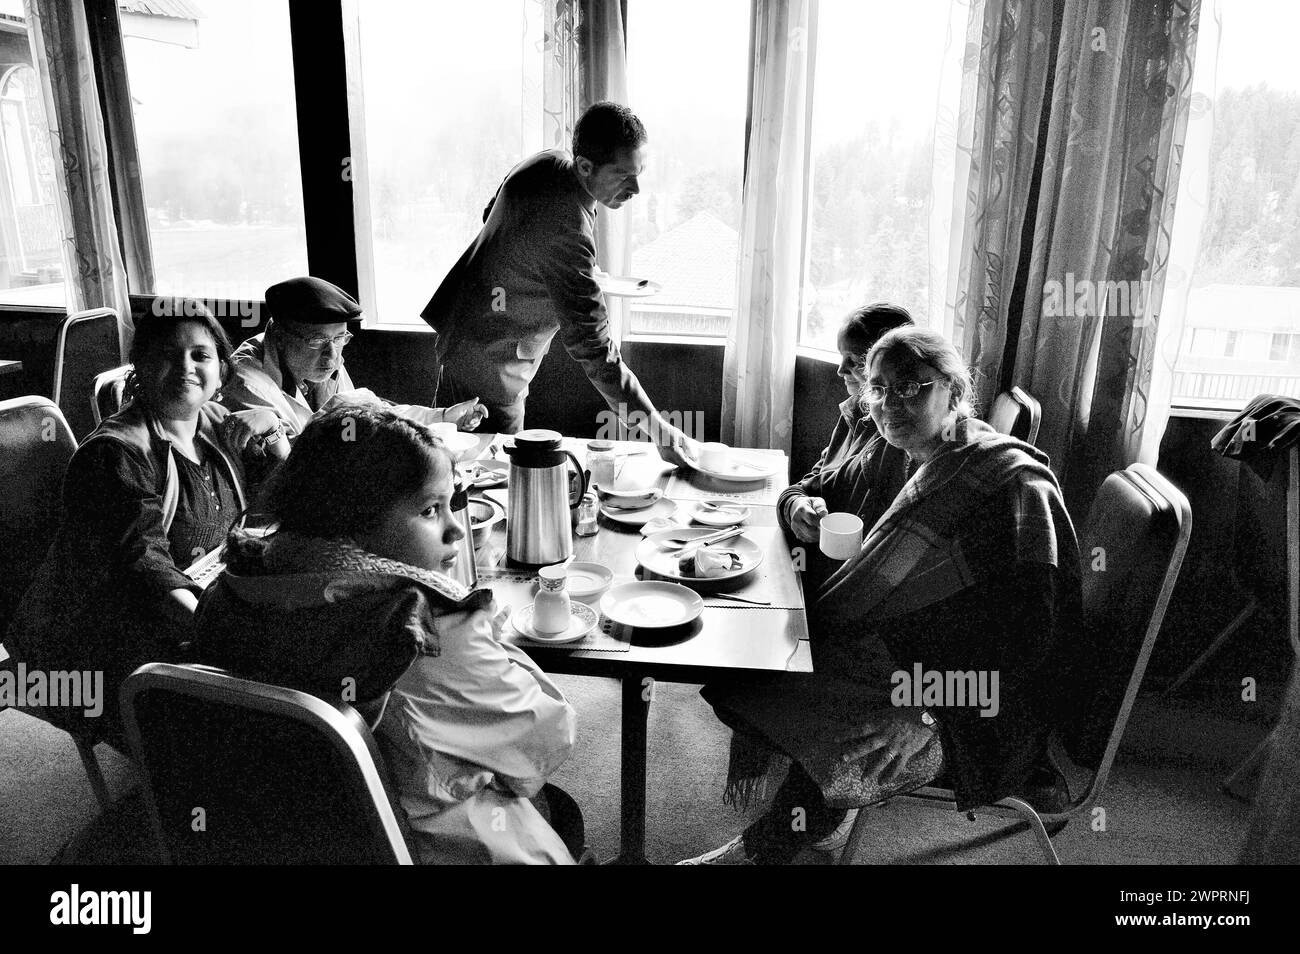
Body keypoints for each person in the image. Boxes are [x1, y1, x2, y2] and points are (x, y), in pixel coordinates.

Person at [682, 327, 1081, 864]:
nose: (892, 403)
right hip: (906, 657)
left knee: (845, 742)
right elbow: (810, 487)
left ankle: (767, 848)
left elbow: (1034, 641)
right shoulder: (894, 449)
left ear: (954, 390)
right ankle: (807, 825)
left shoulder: (1007, 485)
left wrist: (925, 712)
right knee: (753, 671)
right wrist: (795, 509)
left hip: (983, 706)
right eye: (879, 388)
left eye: (912, 387)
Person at [192, 405, 583, 864]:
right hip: (440, 849)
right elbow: (551, 736)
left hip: (277, 844)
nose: (455, 528)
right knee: (557, 812)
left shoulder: (228, 594)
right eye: (431, 510)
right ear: (352, 519)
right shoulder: (428, 633)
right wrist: (484, 631)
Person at [5, 302, 260, 748]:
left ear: (222, 369)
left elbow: (281, 512)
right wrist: (233, 643)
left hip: (198, 606)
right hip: (118, 638)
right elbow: (145, 573)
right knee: (273, 705)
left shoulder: (220, 426)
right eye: (166, 354)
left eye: (201, 355)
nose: (186, 367)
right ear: (139, 366)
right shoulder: (115, 455)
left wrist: (274, 435)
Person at [421, 101, 697, 466]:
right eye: (624, 176)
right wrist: (659, 430)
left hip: (460, 343)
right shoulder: (568, 231)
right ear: (584, 166)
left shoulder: (546, 161)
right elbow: (595, 348)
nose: (636, 190)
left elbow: (492, 213)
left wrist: (552, 273)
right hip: (491, 367)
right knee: (488, 479)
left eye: (640, 173)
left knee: (450, 464)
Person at [220, 276, 485, 461]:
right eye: (317, 340)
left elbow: (370, 414)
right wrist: (336, 414)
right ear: (278, 336)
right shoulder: (247, 381)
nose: (332, 355)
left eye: (340, 338)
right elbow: (292, 461)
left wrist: (442, 417)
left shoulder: (324, 359)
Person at [778, 302, 913, 585]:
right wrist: (795, 506)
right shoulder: (855, 413)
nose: (840, 370)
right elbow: (809, 483)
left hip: (836, 583)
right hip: (810, 563)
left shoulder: (899, 446)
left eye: (853, 360)